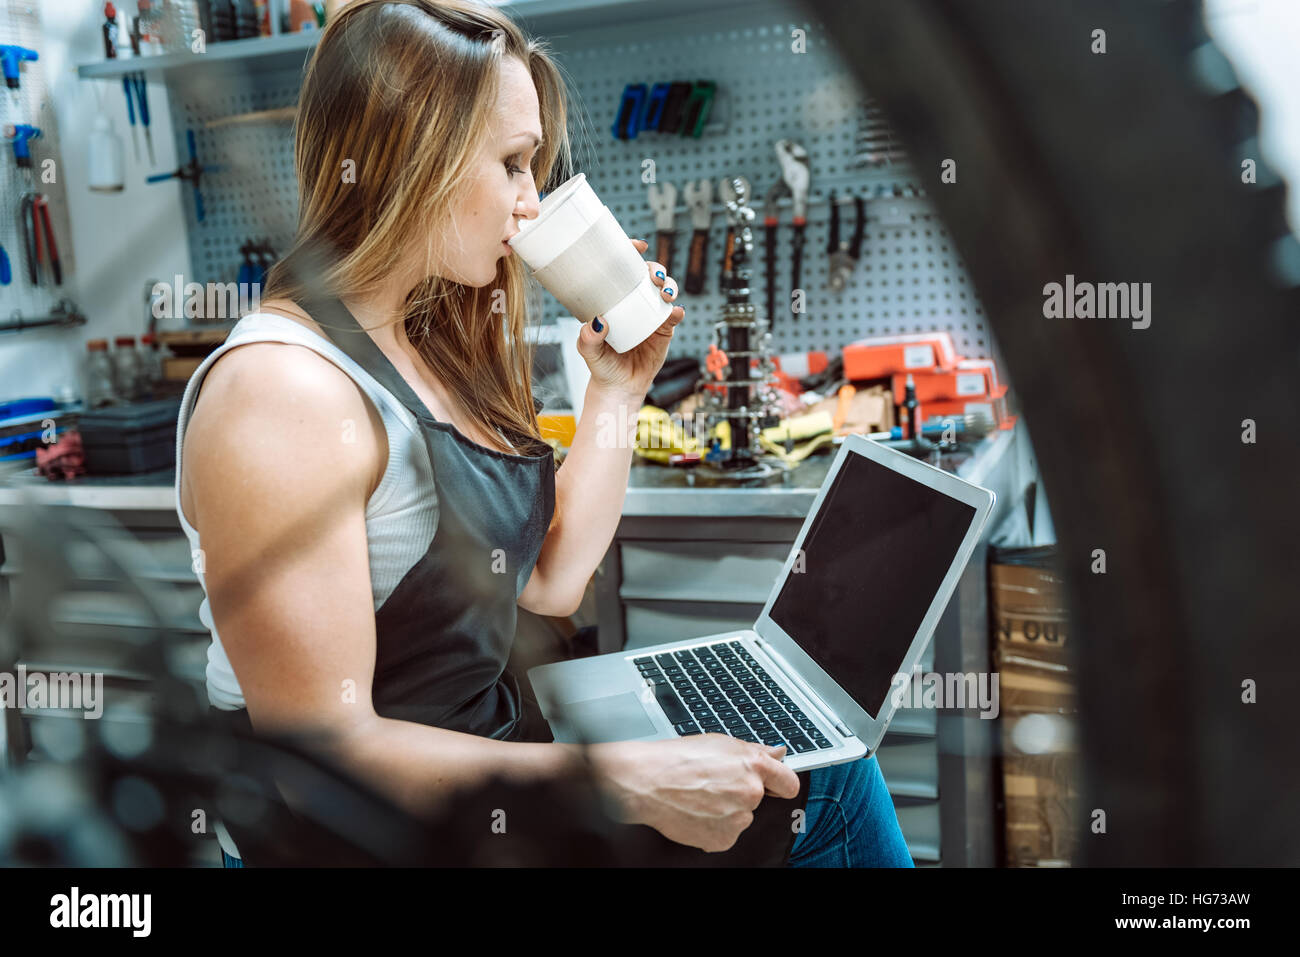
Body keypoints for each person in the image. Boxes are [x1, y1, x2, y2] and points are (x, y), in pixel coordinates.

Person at [174, 0, 912, 868]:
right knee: (823, 798)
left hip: (490, 789)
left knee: (821, 768)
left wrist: (615, 390)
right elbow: (319, 758)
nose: (530, 205)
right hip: (368, 840)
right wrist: (625, 778)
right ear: (414, 155)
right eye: (514, 164)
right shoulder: (282, 392)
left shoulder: (420, 341)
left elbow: (554, 582)